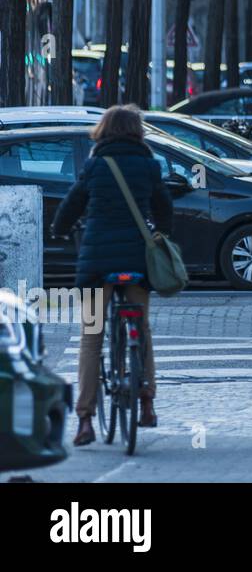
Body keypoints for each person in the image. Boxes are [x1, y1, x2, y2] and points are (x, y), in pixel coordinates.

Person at [52, 104, 170, 446]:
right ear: (137, 131)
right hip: (137, 258)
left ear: (103, 130)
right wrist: (162, 232)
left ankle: (85, 420)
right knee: (142, 329)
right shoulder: (149, 166)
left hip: (96, 264)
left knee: (91, 336)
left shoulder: (94, 166)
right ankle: (147, 401)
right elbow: (164, 207)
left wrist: (59, 228)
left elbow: (72, 204)